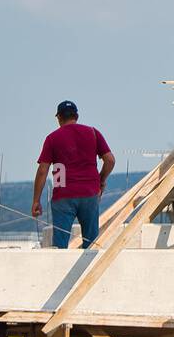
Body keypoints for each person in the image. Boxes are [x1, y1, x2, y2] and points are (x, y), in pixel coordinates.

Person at [31, 100, 115, 249]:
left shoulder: (52, 138)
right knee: (91, 245)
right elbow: (110, 160)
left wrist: (36, 200)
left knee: (60, 246)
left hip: (62, 193)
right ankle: (91, 271)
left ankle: (60, 270)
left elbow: (43, 170)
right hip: (89, 193)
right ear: (76, 116)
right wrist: (100, 181)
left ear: (59, 118)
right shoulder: (93, 133)